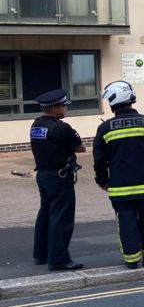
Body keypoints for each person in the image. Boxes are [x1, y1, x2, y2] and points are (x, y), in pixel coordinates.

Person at [93, 81, 144, 269]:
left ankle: (131, 259)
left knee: (126, 223)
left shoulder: (105, 129)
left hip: (120, 188)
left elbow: (99, 159)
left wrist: (102, 181)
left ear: (113, 102)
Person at [30, 89, 86, 271]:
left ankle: (41, 254)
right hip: (60, 177)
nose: (65, 109)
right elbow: (81, 148)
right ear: (54, 108)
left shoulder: (36, 124)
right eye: (63, 106)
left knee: (45, 214)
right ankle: (59, 260)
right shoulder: (61, 127)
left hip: (43, 175)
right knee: (61, 218)